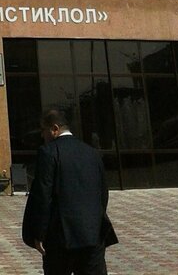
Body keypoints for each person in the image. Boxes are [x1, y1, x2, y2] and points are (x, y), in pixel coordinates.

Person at [22, 107, 118, 275]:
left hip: (60, 237)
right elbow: (103, 192)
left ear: (55, 129)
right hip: (92, 235)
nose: (41, 135)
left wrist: (39, 233)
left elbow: (43, 196)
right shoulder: (92, 153)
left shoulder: (48, 152)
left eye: (43, 130)